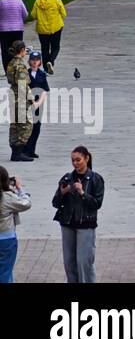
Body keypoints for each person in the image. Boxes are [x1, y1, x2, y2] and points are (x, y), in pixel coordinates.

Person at [53, 145, 104, 282]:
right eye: (73, 160)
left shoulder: (95, 179)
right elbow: (55, 203)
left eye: (78, 160)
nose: (75, 163)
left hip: (86, 225)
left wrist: (82, 193)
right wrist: (62, 193)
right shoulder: (67, 178)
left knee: (84, 262)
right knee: (69, 262)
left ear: (86, 158)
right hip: (68, 224)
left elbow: (96, 204)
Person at [0, 166, 32, 283]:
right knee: (5, 271)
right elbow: (26, 203)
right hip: (6, 239)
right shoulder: (7, 197)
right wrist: (19, 188)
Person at [6, 42, 32, 163]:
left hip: (13, 94)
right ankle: (19, 152)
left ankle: (14, 153)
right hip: (20, 97)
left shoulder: (11, 63)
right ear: (21, 50)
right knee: (25, 125)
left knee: (15, 124)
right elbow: (22, 84)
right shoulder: (20, 65)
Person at [32, 0, 65, 78]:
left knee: (44, 48)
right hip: (56, 27)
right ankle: (51, 61)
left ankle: (46, 69)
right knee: (55, 47)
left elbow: (33, 15)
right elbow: (64, 13)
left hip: (42, 29)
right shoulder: (57, 1)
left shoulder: (38, 2)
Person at [22, 50, 48, 160]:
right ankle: (25, 150)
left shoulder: (42, 74)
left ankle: (32, 150)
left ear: (40, 62)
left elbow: (44, 90)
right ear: (29, 62)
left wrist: (38, 103)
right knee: (27, 127)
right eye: (33, 60)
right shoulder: (25, 73)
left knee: (36, 127)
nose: (34, 62)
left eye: (37, 60)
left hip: (38, 104)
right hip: (27, 104)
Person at [0, 0, 28, 68]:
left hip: (4, 30)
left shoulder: (1, 2)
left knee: (5, 50)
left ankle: (7, 69)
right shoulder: (19, 1)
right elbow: (25, 14)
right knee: (18, 49)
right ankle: (17, 66)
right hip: (18, 29)